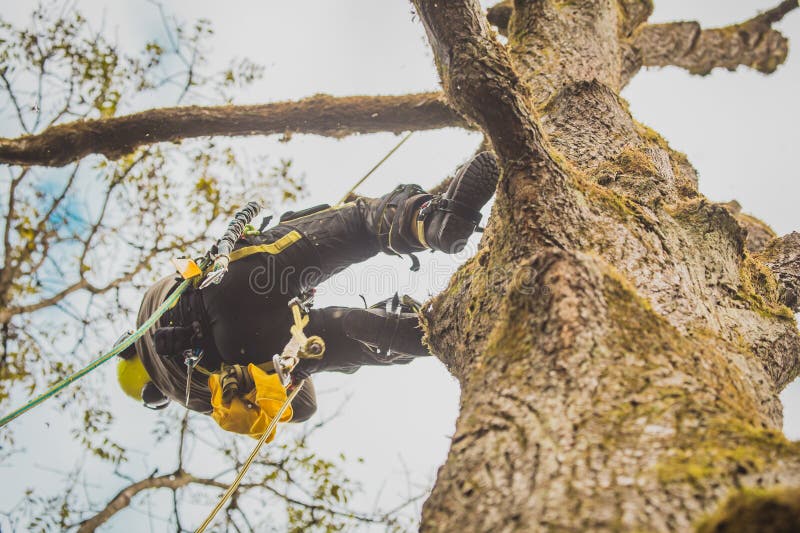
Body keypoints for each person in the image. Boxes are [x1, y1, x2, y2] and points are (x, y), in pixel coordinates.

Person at [116, 151, 499, 427]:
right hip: (227, 284)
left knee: (315, 347)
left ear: (156, 393)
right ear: (129, 349)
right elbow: (196, 271)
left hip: (248, 357)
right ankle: (431, 222)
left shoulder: (200, 396)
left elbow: (304, 408)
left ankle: (399, 331)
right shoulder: (149, 311)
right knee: (359, 225)